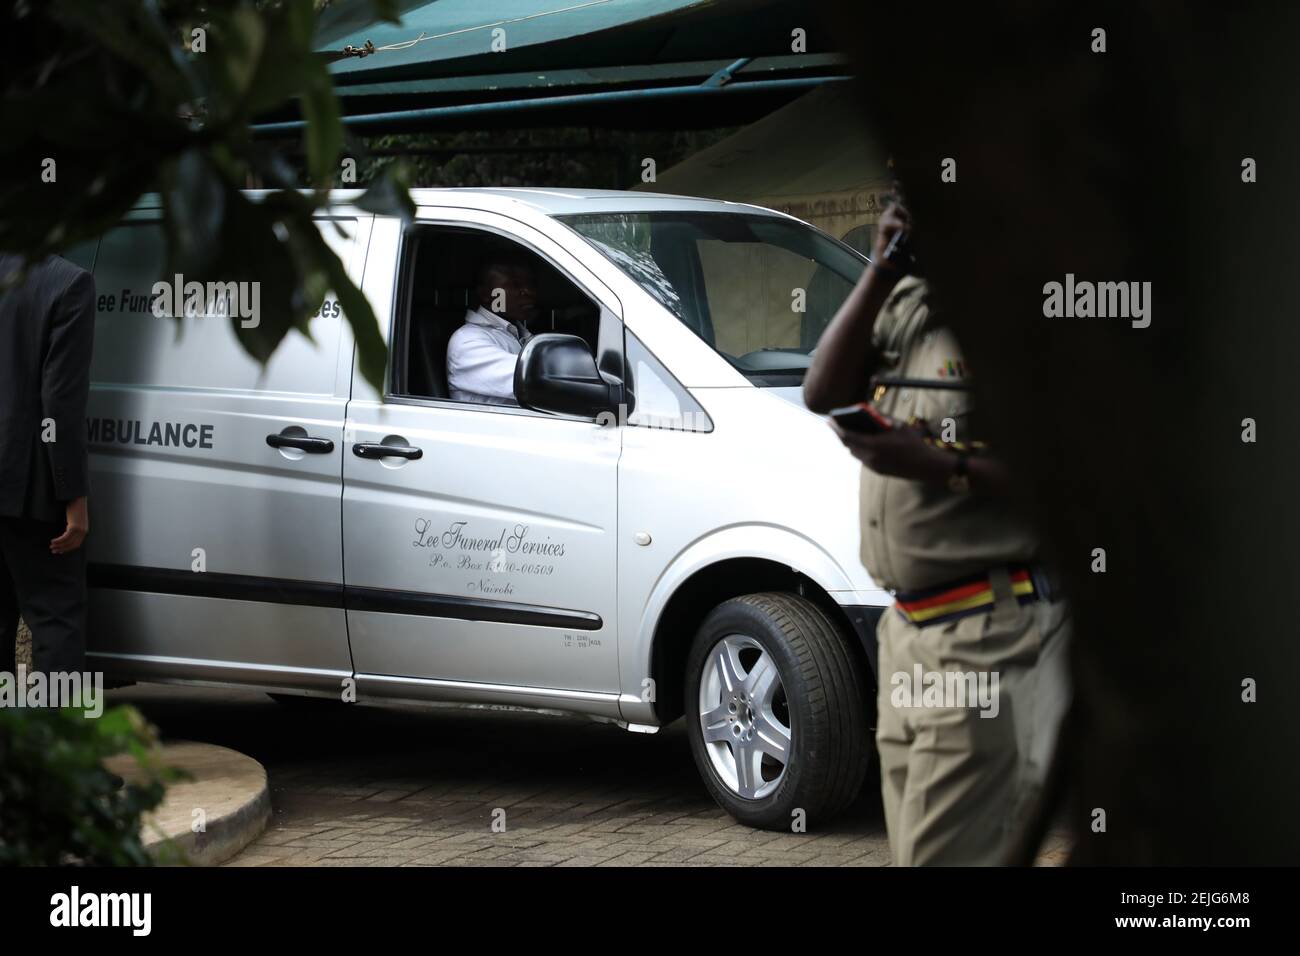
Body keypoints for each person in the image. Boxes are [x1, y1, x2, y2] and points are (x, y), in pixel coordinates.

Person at [804, 186, 1070, 866]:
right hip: (907, 632)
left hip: (986, 631)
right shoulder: (909, 300)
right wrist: (882, 268)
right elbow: (823, 390)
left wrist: (940, 464)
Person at [0, 254, 96, 681]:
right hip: (29, 490)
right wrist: (73, 496)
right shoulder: (69, 283)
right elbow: (59, 403)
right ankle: (66, 746)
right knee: (56, 619)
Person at [446, 253, 540, 404]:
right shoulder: (467, 341)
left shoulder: (518, 333)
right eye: (515, 285)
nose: (528, 291)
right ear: (486, 294)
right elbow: (536, 382)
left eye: (531, 284)